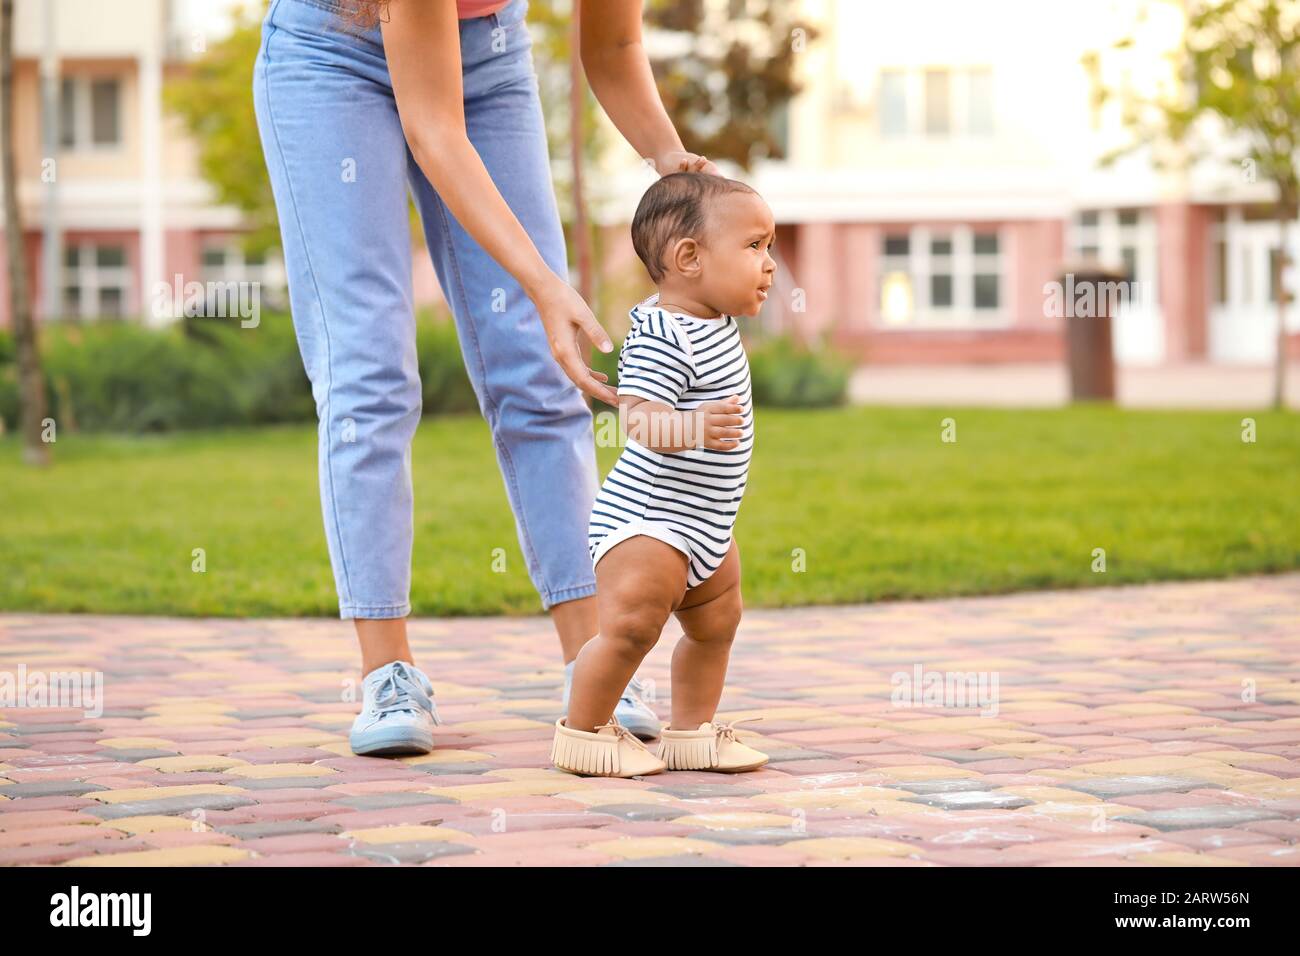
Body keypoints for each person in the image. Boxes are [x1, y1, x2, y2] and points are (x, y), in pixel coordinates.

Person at [251, 0, 718, 755]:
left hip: (491, 55)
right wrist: (543, 283)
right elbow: (435, 129)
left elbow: (616, 42)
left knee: (541, 370)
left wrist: (669, 158)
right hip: (329, 55)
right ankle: (388, 674)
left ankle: (593, 662)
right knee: (370, 372)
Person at [550, 172, 775, 777]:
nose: (769, 263)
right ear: (688, 258)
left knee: (716, 623)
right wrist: (695, 428)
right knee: (629, 630)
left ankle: (692, 733)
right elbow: (641, 421)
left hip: (705, 522)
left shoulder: (715, 322)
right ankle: (586, 734)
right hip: (648, 520)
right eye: (754, 246)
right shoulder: (660, 333)